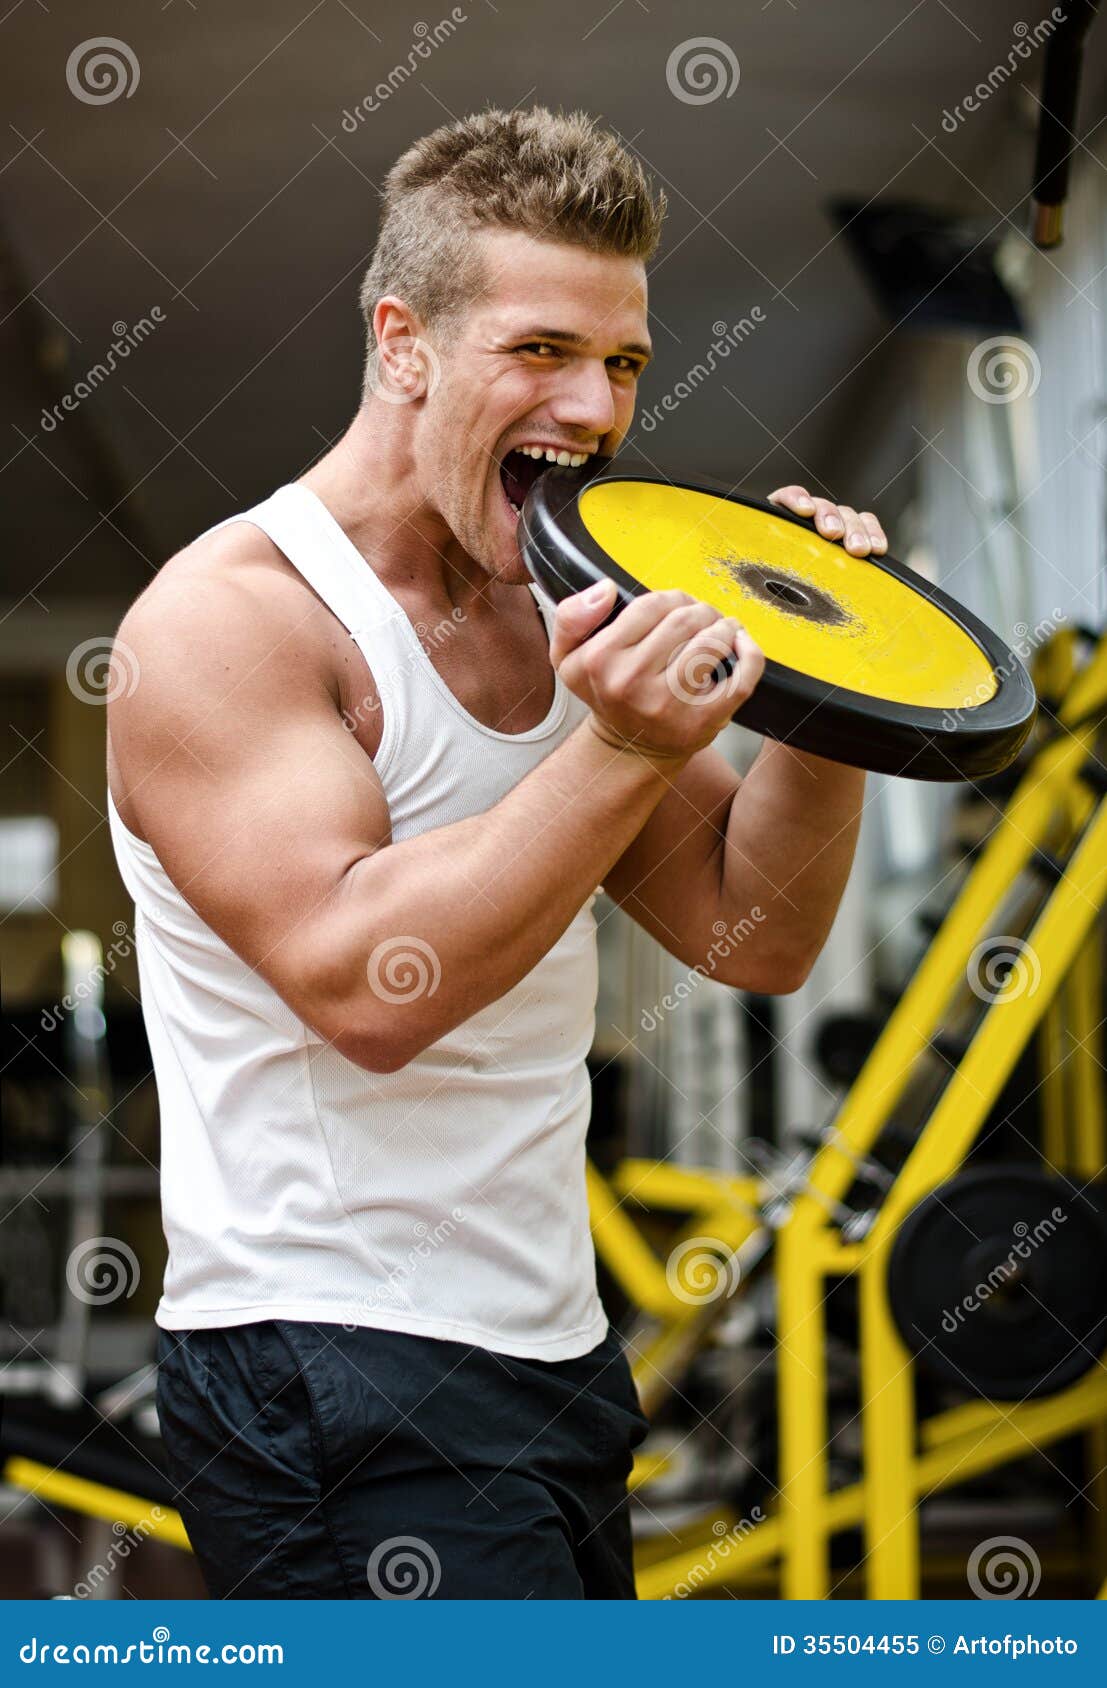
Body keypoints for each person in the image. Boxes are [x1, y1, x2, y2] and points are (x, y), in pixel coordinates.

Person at [106, 105, 884, 1600]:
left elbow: (756, 932)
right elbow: (365, 986)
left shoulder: (561, 609)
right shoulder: (233, 623)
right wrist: (622, 747)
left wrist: (832, 689)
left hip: (551, 1351)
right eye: (540, 351)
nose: (594, 408)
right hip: (329, 1364)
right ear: (403, 343)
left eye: (625, 363)